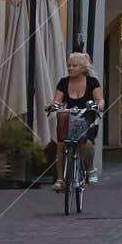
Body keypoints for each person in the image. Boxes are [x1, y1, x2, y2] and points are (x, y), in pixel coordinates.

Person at [49, 52, 105, 193]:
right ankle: (60, 180)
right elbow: (58, 100)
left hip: (86, 117)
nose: (71, 68)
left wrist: (99, 105)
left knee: (86, 144)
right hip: (68, 118)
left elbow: (99, 99)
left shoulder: (92, 82)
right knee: (61, 144)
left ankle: (90, 168)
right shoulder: (63, 82)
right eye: (69, 65)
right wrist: (53, 105)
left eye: (74, 65)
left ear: (83, 67)